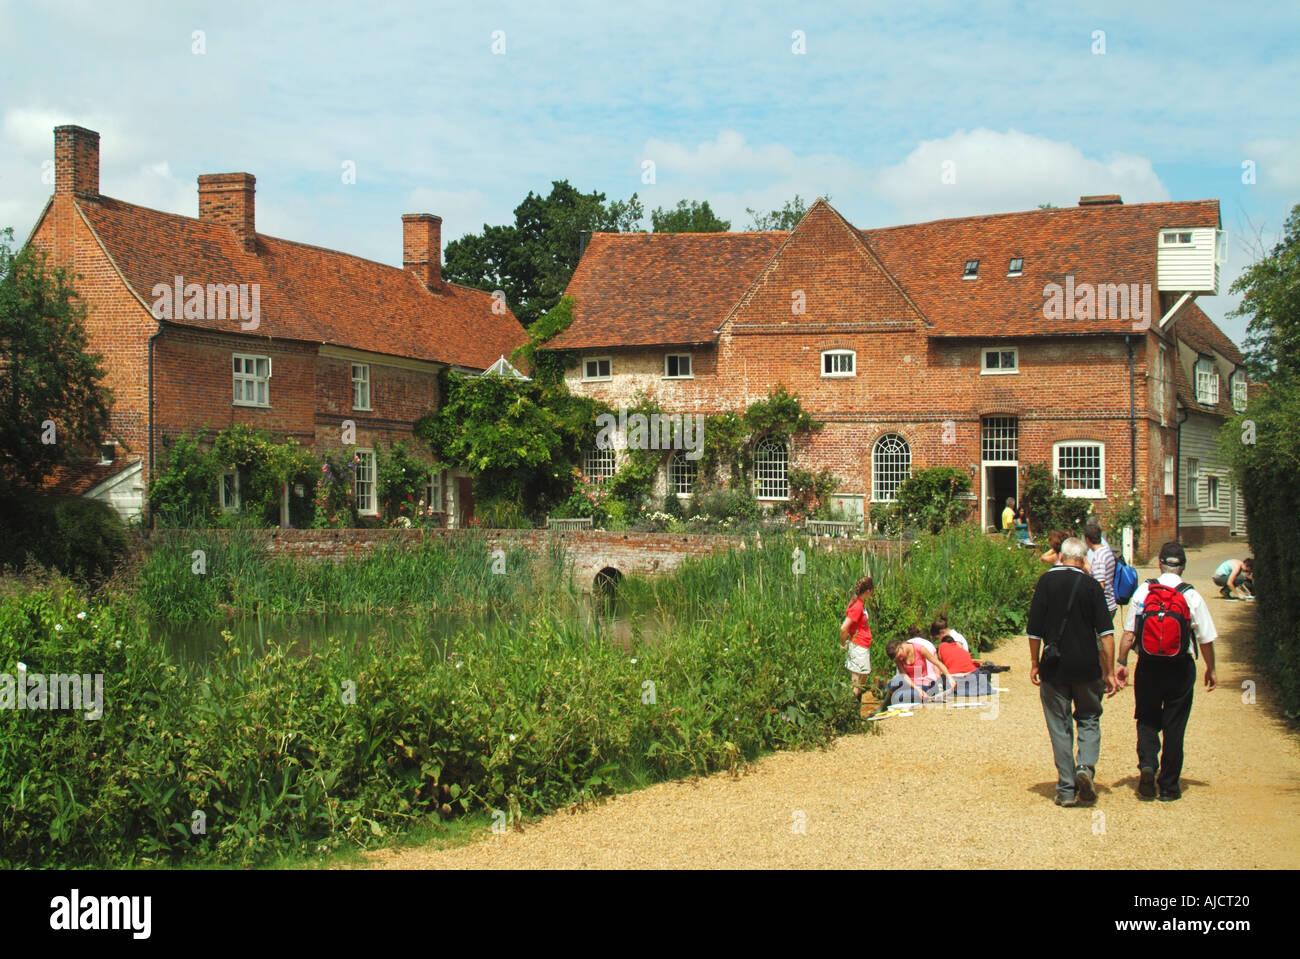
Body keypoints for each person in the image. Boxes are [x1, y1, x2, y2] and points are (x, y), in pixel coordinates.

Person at [1115, 542, 1218, 802]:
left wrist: (1122, 662)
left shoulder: (1144, 590)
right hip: (1180, 667)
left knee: (1147, 717)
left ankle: (1148, 766)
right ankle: (1170, 787)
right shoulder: (1191, 596)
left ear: (1160, 563)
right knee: (1175, 725)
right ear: (1183, 566)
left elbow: (1129, 633)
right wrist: (1211, 668)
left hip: (1148, 664)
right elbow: (1205, 639)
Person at [1026, 537, 1118, 807]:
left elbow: (1033, 631)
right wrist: (1109, 671)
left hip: (1054, 667)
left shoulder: (1046, 582)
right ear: (1082, 558)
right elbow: (1106, 634)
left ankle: (1066, 788)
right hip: (1088, 666)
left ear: (1061, 556)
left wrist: (1034, 662)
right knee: (1089, 717)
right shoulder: (1091, 586)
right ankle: (1085, 768)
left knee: (1060, 725)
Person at [885, 631, 955, 704]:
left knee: (901, 696)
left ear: (900, 648)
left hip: (922, 682)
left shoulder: (919, 649)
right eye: (898, 659)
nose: (900, 659)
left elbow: (937, 663)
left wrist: (949, 678)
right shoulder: (898, 659)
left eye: (900, 656)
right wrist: (917, 689)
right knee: (892, 684)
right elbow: (904, 675)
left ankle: (904, 697)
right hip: (910, 683)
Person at [840, 576, 875, 700]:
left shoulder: (858, 602)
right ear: (868, 592)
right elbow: (844, 628)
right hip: (858, 644)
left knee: (862, 678)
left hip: (862, 644)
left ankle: (854, 704)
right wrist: (843, 643)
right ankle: (850, 706)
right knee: (857, 681)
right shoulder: (857, 606)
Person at [1084, 521, 1117, 619]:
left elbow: (1100, 585)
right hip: (1110, 603)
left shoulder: (1099, 557)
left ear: (1087, 539)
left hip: (1102, 606)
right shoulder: (1106, 551)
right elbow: (1098, 573)